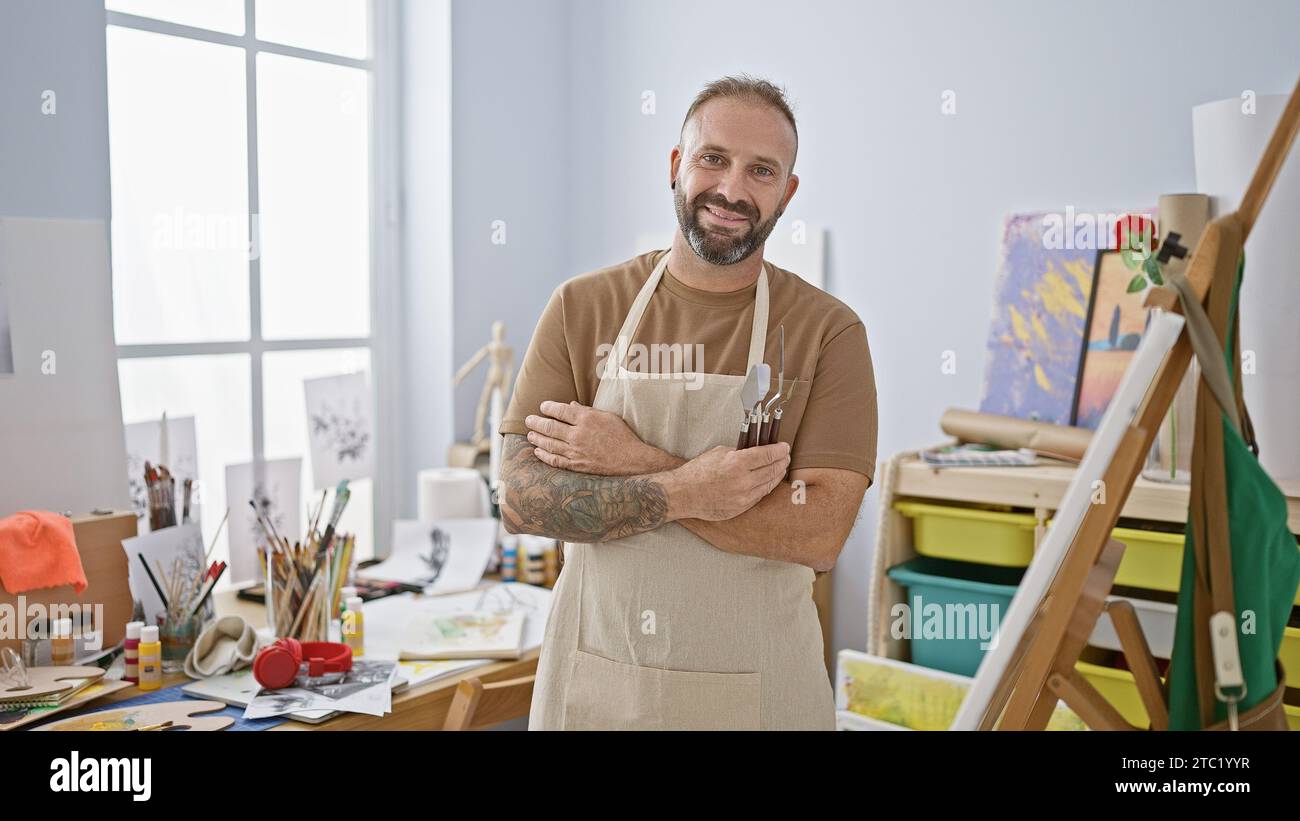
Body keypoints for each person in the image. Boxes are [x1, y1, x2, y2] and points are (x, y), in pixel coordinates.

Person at [498, 75, 878, 730]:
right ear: (677, 165)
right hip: (597, 685)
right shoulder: (582, 309)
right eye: (713, 158)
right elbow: (523, 498)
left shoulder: (827, 332)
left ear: (786, 192)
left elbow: (819, 533)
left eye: (761, 170)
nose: (732, 189)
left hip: (762, 693)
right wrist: (689, 488)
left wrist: (630, 458)